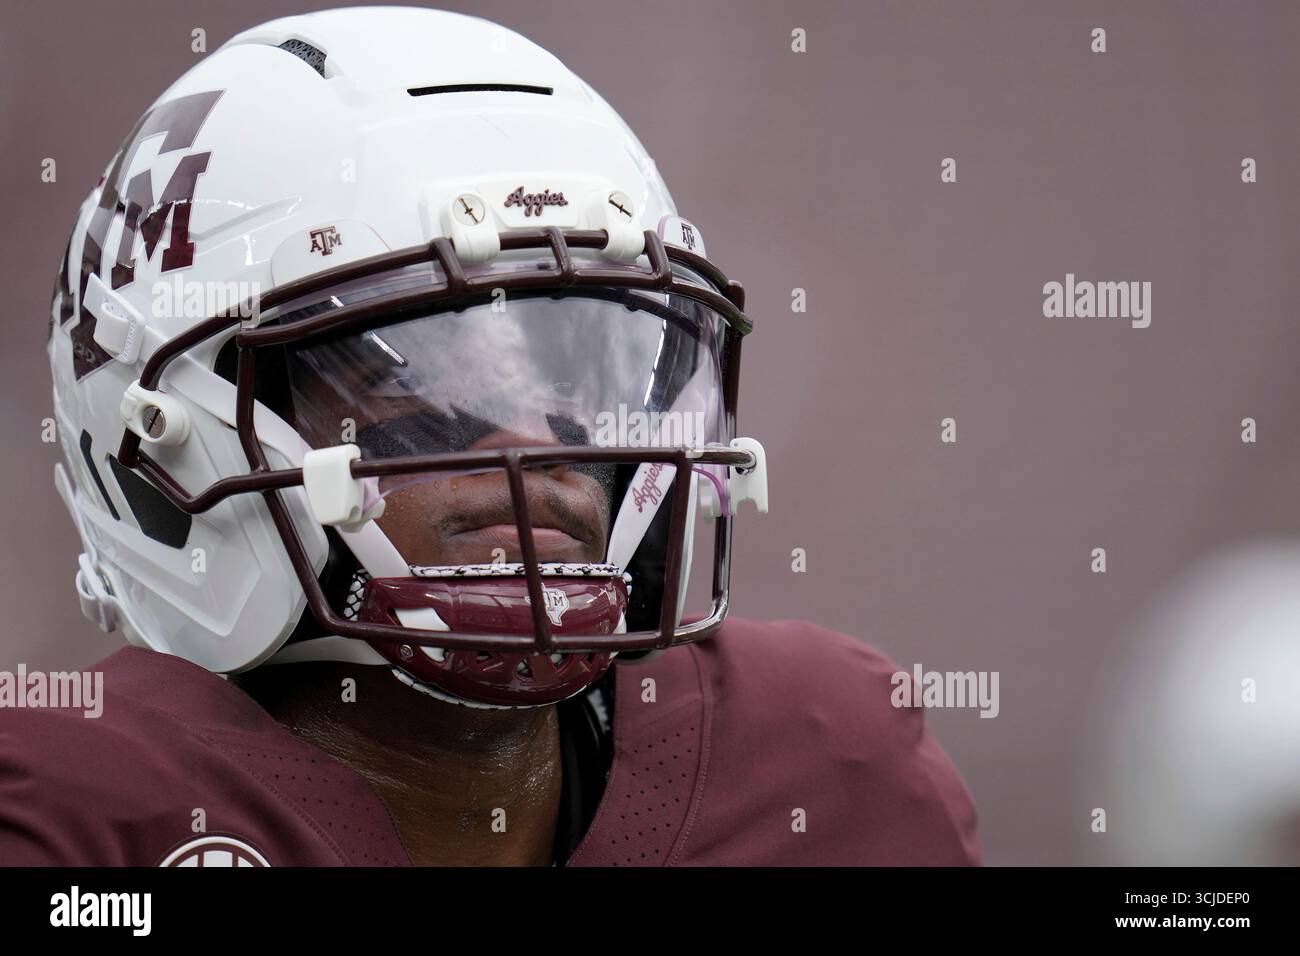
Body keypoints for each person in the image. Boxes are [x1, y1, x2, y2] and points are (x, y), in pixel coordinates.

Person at [4, 6, 980, 866]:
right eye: (412, 380)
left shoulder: (825, 764)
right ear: (161, 434)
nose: (529, 439)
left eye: (574, 369)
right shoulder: (76, 811)